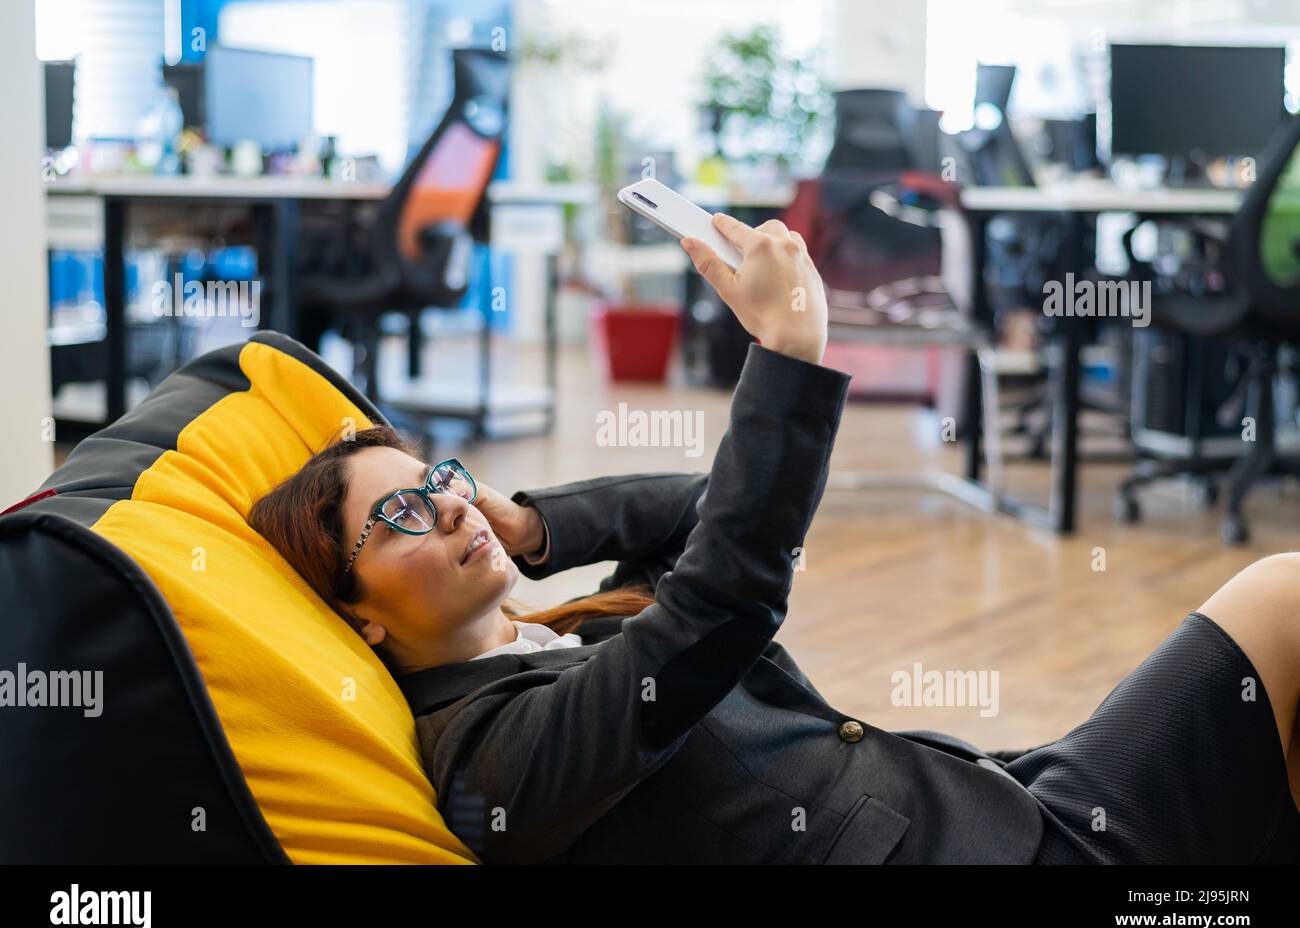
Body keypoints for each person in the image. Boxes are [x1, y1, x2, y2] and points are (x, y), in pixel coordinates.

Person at [249, 212, 1300, 864]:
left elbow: (704, 509)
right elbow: (719, 605)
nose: (446, 506)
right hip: (987, 852)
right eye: (397, 516)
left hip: (986, 802)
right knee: (1282, 600)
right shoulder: (490, 760)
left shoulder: (563, 631)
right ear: (357, 615)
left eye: (438, 482)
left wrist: (533, 526)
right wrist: (787, 356)